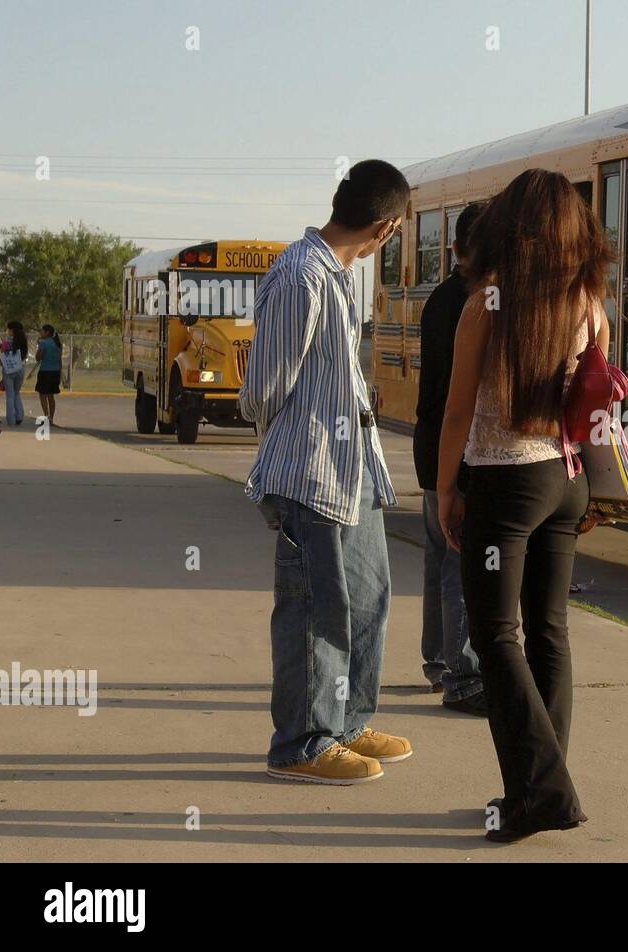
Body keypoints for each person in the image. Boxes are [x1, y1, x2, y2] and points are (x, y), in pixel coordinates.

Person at [437, 169, 613, 842]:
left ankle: (542, 792)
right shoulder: (589, 300)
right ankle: (543, 780)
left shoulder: (486, 302)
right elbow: (596, 400)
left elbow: (457, 412)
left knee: (495, 637)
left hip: (508, 482)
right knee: (548, 631)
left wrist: (446, 489)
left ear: (505, 226)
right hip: (566, 480)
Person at [240, 159, 413, 785]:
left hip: (353, 471)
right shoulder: (300, 276)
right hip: (310, 475)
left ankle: (346, 722)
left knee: (366, 601)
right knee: (315, 610)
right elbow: (262, 388)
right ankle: (301, 743)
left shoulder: (335, 276)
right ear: (387, 227)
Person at [414, 201, 487, 714]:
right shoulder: (479, 301)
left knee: (438, 555)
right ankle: (463, 671)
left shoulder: (438, 298)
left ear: (455, 246)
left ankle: (438, 661)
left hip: (428, 441)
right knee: (460, 563)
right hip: (456, 448)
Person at [1, 321, 28, 426]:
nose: (8, 331)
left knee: (10, 395)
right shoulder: (23, 341)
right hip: (21, 368)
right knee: (17, 393)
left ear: (12, 330)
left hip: (9, 370)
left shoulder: (9, 341)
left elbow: (5, 353)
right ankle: (19, 416)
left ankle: (11, 419)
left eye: (9, 329)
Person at [35, 324, 63, 425]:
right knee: (51, 396)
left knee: (43, 395)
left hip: (45, 372)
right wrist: (60, 374)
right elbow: (59, 360)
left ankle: (46, 416)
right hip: (55, 372)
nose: (40, 333)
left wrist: (39, 346)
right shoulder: (58, 343)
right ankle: (51, 418)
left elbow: (38, 358)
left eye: (42, 331)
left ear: (47, 332)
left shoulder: (44, 343)